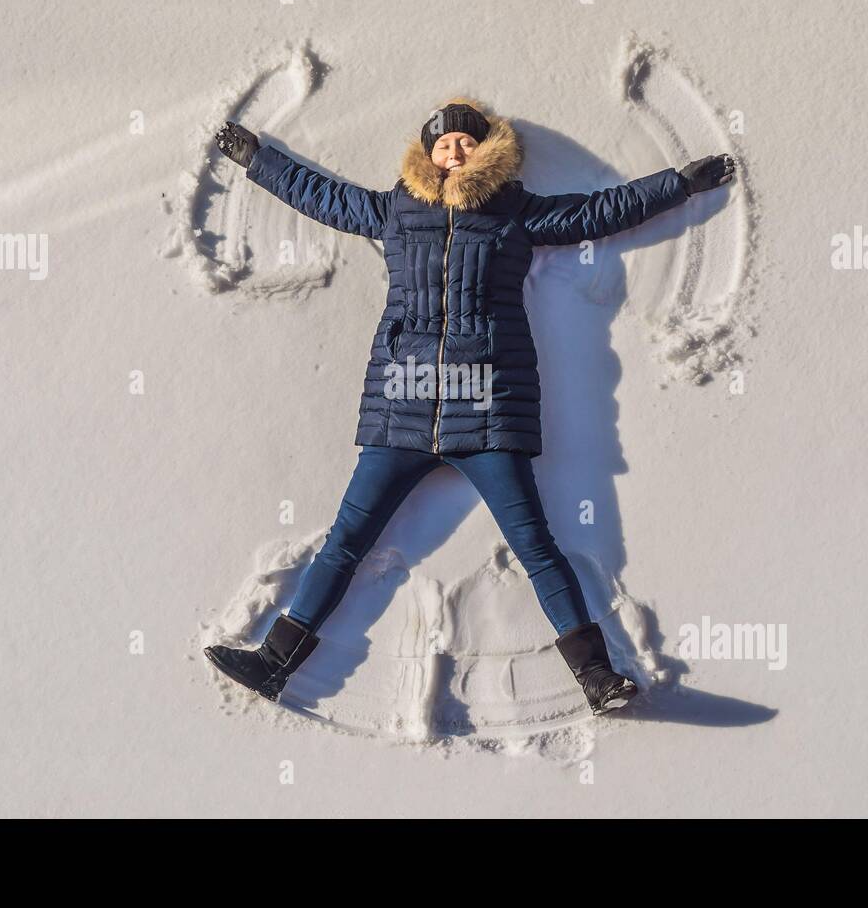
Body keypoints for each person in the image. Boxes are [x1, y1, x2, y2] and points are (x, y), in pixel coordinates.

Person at [204, 97, 735, 715]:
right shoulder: (397, 207)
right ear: (427, 152)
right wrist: (256, 160)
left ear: (485, 151)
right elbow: (322, 195)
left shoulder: (514, 214)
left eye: (465, 142)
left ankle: (596, 678)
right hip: (403, 405)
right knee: (346, 540)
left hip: (487, 409)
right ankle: (273, 664)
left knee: (536, 546)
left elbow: (600, 211)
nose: (453, 151)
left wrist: (681, 184)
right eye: (443, 143)